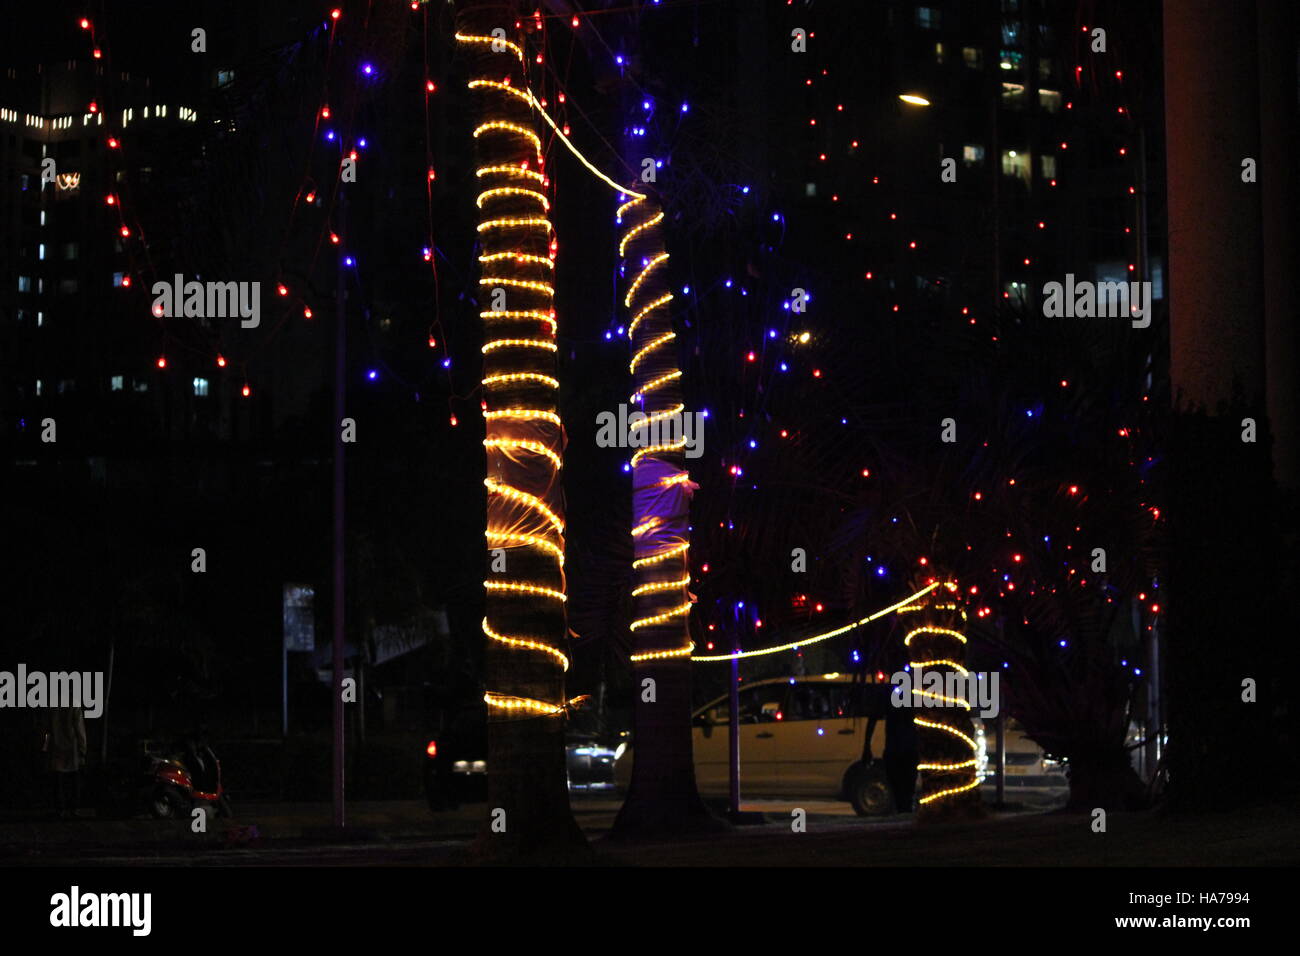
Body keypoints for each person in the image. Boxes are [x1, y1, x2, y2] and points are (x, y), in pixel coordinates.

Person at [45, 706, 87, 818]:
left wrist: (45, 747)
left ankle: (60, 809)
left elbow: (47, 729)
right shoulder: (74, 706)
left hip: (56, 747)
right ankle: (74, 809)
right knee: (73, 780)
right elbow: (79, 729)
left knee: (58, 780)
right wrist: (83, 749)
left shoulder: (52, 706)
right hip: (71, 748)